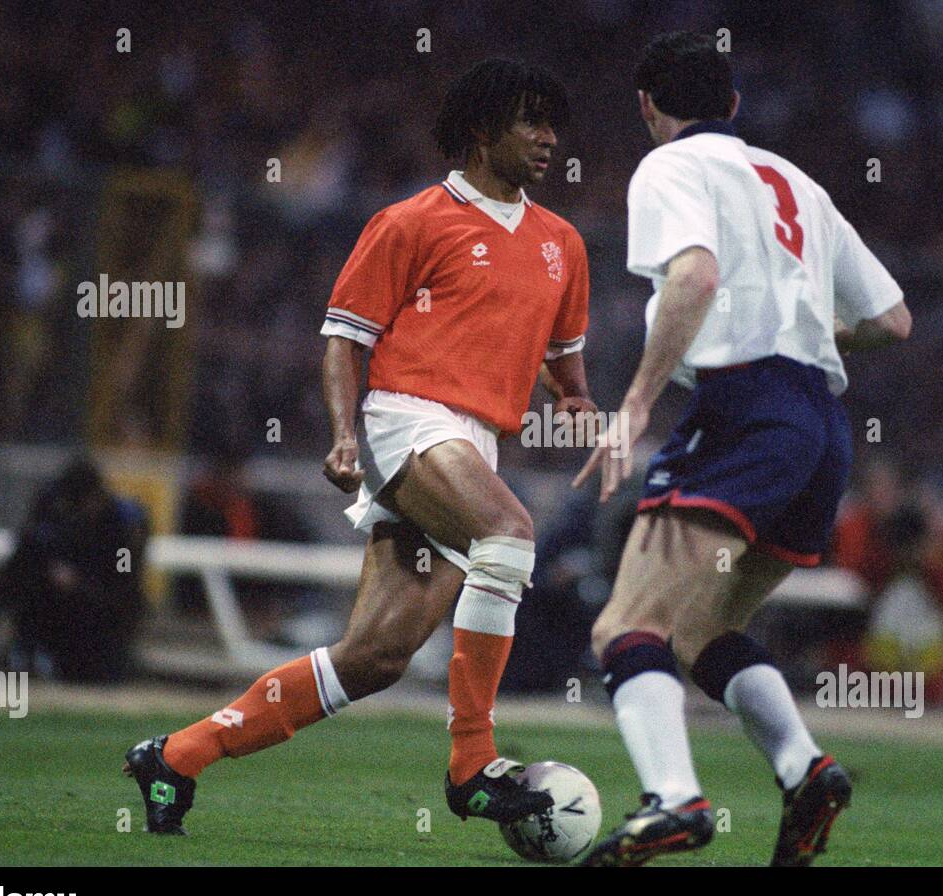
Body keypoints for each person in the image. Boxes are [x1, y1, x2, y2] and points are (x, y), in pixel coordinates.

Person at [124, 60, 596, 835]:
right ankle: (471, 764)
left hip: (472, 443)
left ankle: (178, 755)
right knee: (509, 534)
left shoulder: (562, 245)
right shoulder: (410, 221)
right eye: (530, 121)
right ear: (482, 131)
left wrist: (576, 400)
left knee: (375, 658)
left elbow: (564, 365)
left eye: (553, 123)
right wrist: (345, 437)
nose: (548, 139)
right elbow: (345, 342)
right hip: (405, 420)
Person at [574, 32, 911, 866]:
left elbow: (692, 278)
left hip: (744, 409)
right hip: (820, 429)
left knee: (625, 626)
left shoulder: (669, 168)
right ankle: (806, 769)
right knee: (699, 632)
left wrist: (634, 407)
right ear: (732, 106)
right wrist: (805, 330)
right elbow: (892, 322)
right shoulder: (799, 182)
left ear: (649, 107)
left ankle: (674, 801)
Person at [0, 457, 148, 682]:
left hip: (101, 613)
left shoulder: (119, 526)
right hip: (63, 607)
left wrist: (80, 583)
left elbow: (122, 587)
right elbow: (31, 554)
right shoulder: (59, 515)